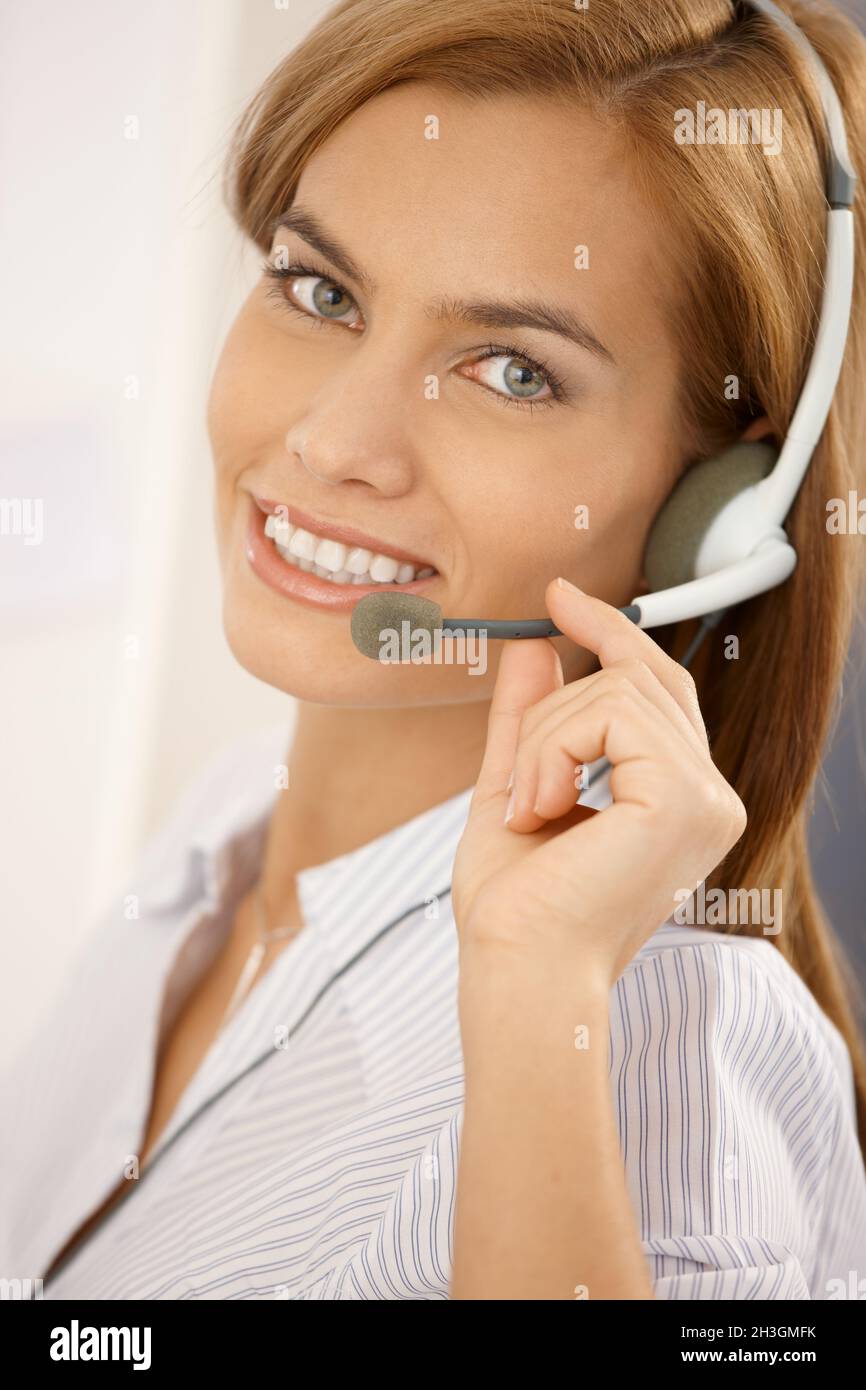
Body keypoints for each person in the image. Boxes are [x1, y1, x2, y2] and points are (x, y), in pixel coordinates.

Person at [4, 0, 866, 1299]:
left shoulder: (667, 1045)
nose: (334, 439)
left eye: (510, 370)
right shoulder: (214, 843)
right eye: (320, 289)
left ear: (709, 520)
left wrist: (534, 1004)